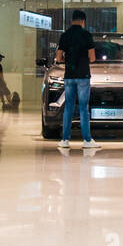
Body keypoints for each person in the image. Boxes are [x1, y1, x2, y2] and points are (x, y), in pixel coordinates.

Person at [54, 10, 98, 150]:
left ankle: (65, 140)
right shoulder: (86, 35)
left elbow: (58, 58)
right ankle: (87, 140)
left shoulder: (65, 35)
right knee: (84, 108)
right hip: (83, 76)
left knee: (68, 108)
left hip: (69, 76)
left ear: (72, 20)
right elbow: (92, 58)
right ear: (83, 21)